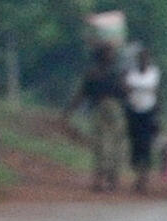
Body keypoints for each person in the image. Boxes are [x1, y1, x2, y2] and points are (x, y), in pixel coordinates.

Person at [69, 39, 127, 194]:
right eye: (107, 53)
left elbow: (125, 92)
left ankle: (112, 180)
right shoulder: (93, 74)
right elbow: (82, 94)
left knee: (115, 146)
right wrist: (68, 112)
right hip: (99, 109)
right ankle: (100, 179)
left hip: (114, 109)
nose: (110, 55)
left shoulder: (117, 73)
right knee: (101, 146)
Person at [122, 44, 162, 195]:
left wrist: (158, 115)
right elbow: (124, 89)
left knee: (146, 144)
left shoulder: (154, 73)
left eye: (146, 57)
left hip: (148, 112)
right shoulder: (131, 74)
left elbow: (157, 93)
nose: (143, 60)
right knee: (135, 144)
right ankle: (137, 170)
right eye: (141, 57)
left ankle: (143, 176)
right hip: (133, 112)